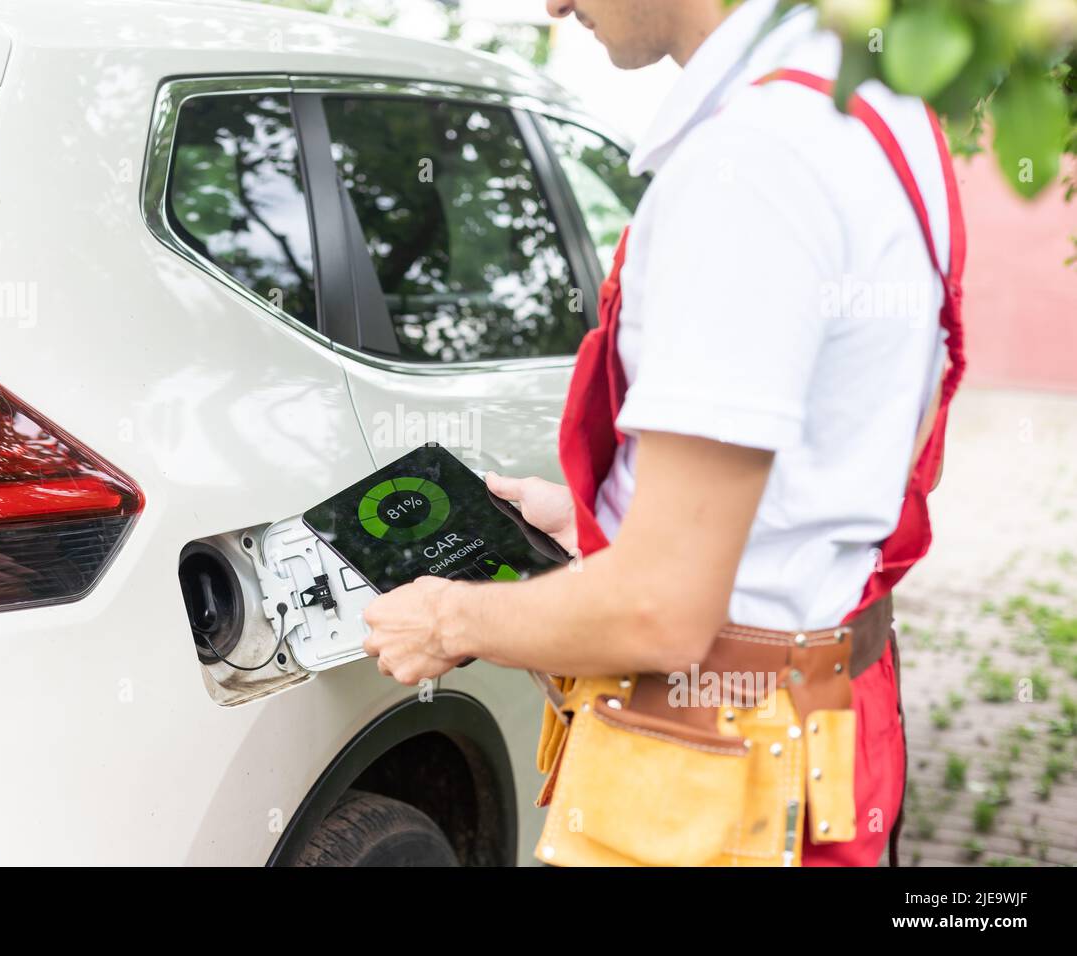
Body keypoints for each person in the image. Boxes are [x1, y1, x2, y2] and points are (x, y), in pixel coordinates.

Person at [362, 0, 965, 867]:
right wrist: (611, 518)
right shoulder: (888, 109)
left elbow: (662, 609)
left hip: (719, 782)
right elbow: (837, 446)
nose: (553, 6)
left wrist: (448, 619)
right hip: (831, 731)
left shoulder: (749, 166)